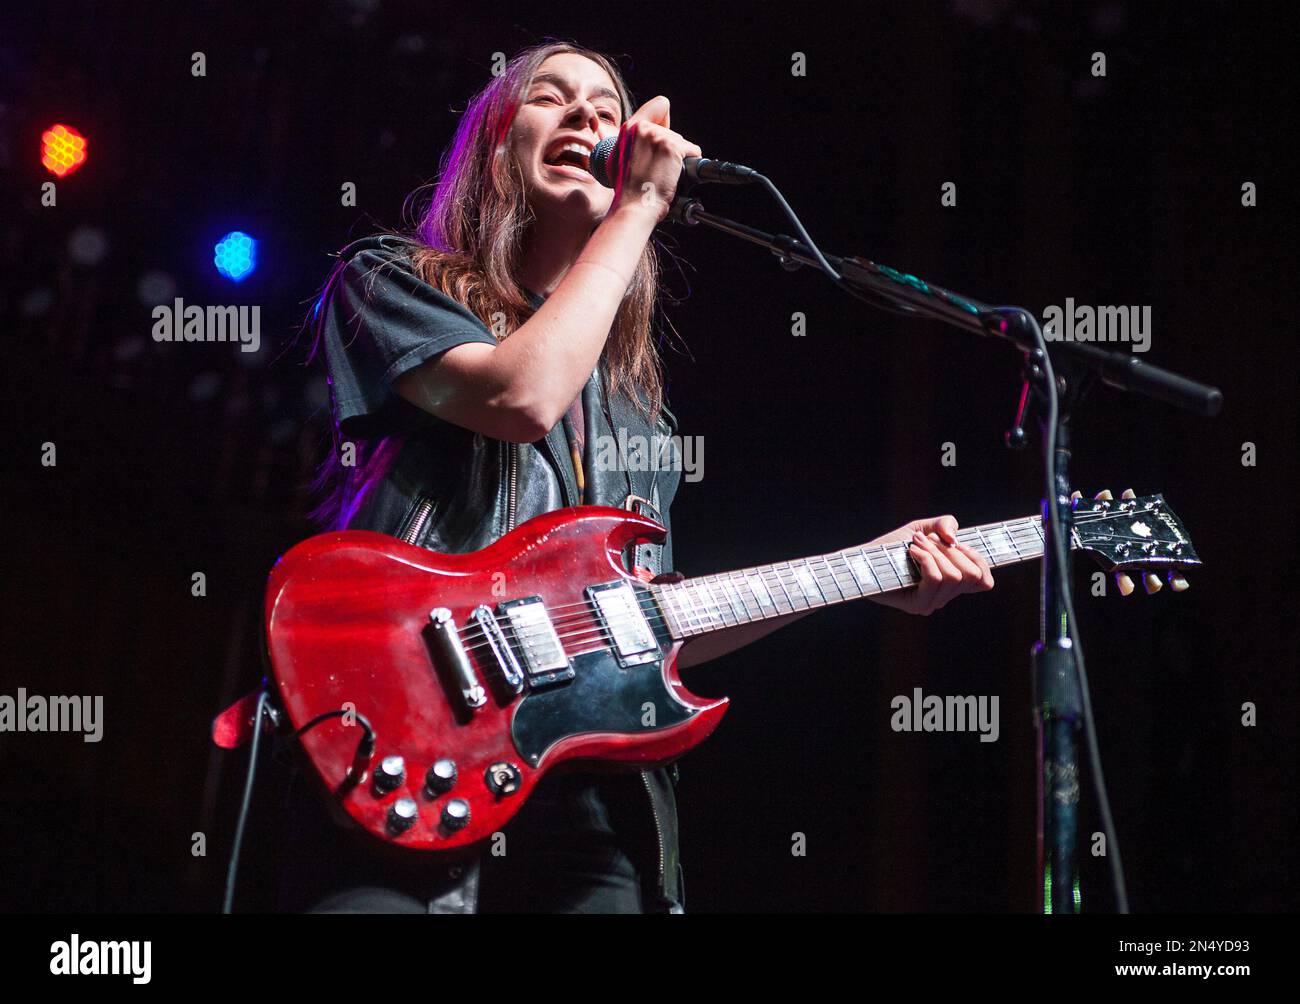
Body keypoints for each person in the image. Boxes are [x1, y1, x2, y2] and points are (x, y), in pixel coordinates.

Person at [278, 40, 996, 915]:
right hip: (408, 745)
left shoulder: (635, 413)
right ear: (495, 146)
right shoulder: (386, 279)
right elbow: (521, 396)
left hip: (586, 815)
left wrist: (863, 577)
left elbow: (654, 627)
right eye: (552, 98)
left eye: (607, 109)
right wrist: (642, 205)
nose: (587, 116)